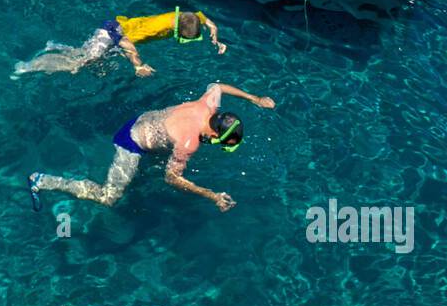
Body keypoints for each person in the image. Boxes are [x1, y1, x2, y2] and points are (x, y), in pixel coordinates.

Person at [27, 82, 274, 212]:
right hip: (130, 143)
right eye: (221, 143)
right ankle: (43, 180)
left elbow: (219, 85)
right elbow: (171, 178)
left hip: (142, 120)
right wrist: (212, 196)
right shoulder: (189, 143)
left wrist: (255, 99)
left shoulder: (207, 105)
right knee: (108, 198)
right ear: (215, 132)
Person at [14, 7, 226, 78]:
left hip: (116, 32)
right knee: (78, 64)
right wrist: (138, 66)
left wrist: (214, 35)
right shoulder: (158, 27)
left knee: (93, 66)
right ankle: (28, 66)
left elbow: (203, 17)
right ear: (178, 31)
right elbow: (126, 42)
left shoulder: (186, 16)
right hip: (112, 33)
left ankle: (56, 49)